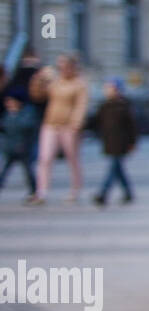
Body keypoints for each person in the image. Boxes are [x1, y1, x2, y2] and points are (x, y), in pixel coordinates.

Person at [33, 53, 89, 204]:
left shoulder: (79, 84)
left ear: (72, 67)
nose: (62, 68)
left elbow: (81, 105)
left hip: (69, 126)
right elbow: (37, 95)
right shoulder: (55, 82)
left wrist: (76, 123)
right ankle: (41, 191)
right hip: (50, 123)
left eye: (64, 65)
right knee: (45, 158)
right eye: (60, 66)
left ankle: (75, 190)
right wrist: (39, 78)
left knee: (72, 158)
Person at [87, 78, 139, 206]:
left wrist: (132, 142)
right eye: (107, 88)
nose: (108, 91)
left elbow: (132, 126)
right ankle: (128, 193)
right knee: (118, 170)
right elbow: (95, 122)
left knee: (113, 168)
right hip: (109, 141)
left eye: (110, 88)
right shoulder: (105, 105)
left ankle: (103, 194)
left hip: (121, 143)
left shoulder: (124, 106)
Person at [0, 92, 38, 200]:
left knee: (27, 170)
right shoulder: (8, 115)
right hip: (10, 147)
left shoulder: (26, 113)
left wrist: (15, 116)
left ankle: (33, 189)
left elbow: (28, 128)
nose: (8, 104)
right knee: (5, 168)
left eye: (11, 101)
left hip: (23, 148)